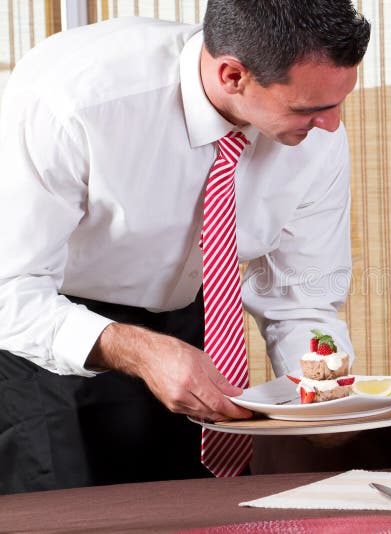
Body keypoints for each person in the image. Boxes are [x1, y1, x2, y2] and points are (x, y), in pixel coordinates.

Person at [0, 0, 370, 493]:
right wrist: (137, 348)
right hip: (51, 336)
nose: (332, 124)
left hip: (192, 324)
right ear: (233, 75)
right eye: (310, 108)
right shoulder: (72, 100)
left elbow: (300, 295)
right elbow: (10, 290)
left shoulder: (319, 135)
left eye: (339, 101)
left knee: (190, 509)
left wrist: (324, 397)